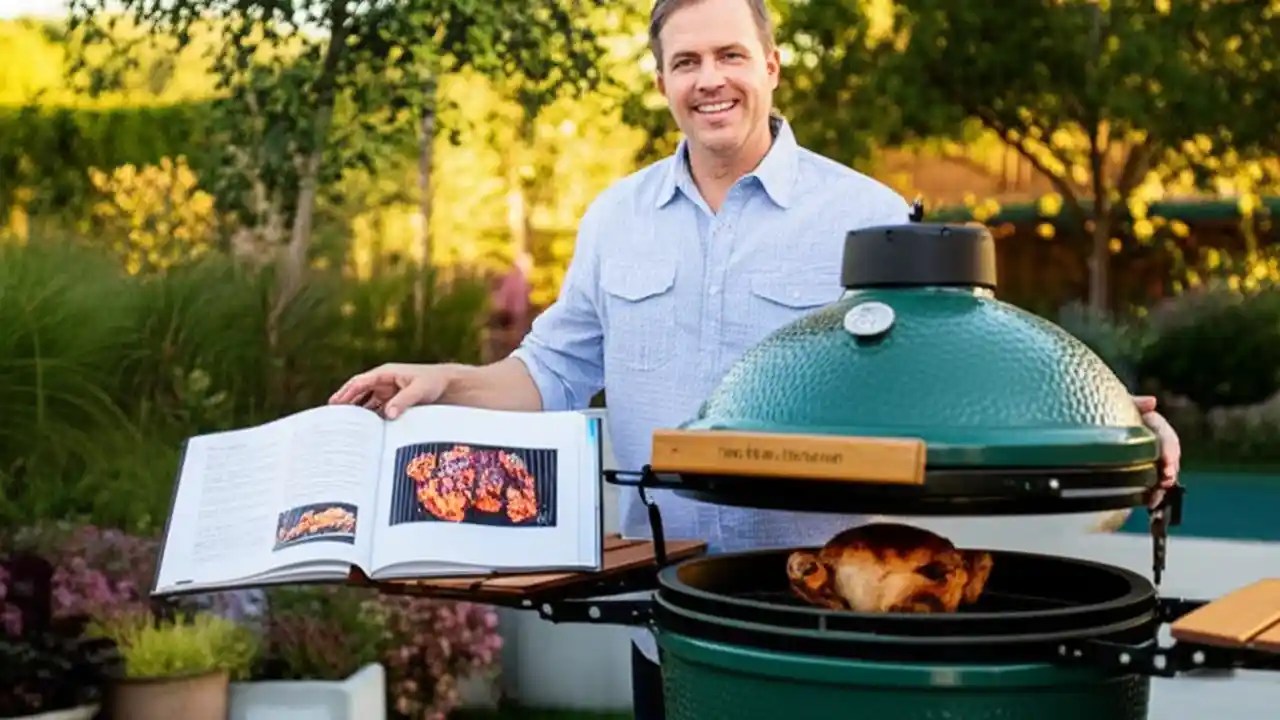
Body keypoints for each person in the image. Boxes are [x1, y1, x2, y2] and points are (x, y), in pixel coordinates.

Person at [328, 0, 1182, 716]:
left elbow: (954, 370)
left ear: (772, 66)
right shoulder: (615, 218)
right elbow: (548, 372)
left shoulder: (868, 211)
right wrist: (444, 382)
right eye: (687, 60)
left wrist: (1109, 420)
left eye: (731, 54)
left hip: (829, 623)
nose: (710, 79)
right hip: (670, 613)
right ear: (661, 80)